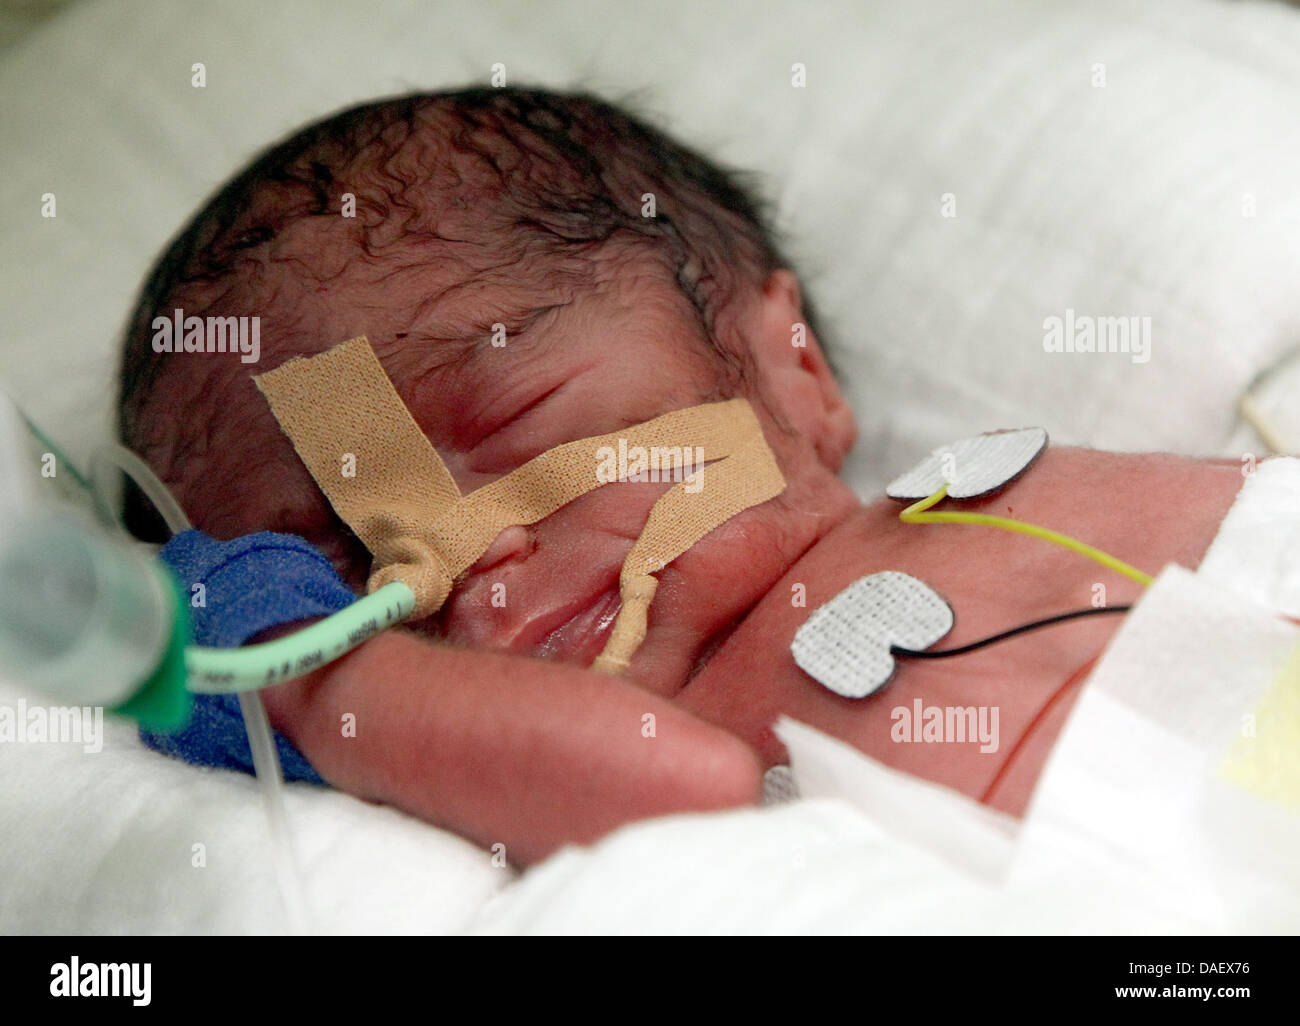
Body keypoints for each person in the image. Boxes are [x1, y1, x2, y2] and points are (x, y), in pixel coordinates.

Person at [118, 85, 1243, 866]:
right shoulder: (669, 737)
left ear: (794, 370)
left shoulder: (1004, 486)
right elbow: (681, 790)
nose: (458, 560)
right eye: (344, 566)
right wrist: (301, 680)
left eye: (514, 415)